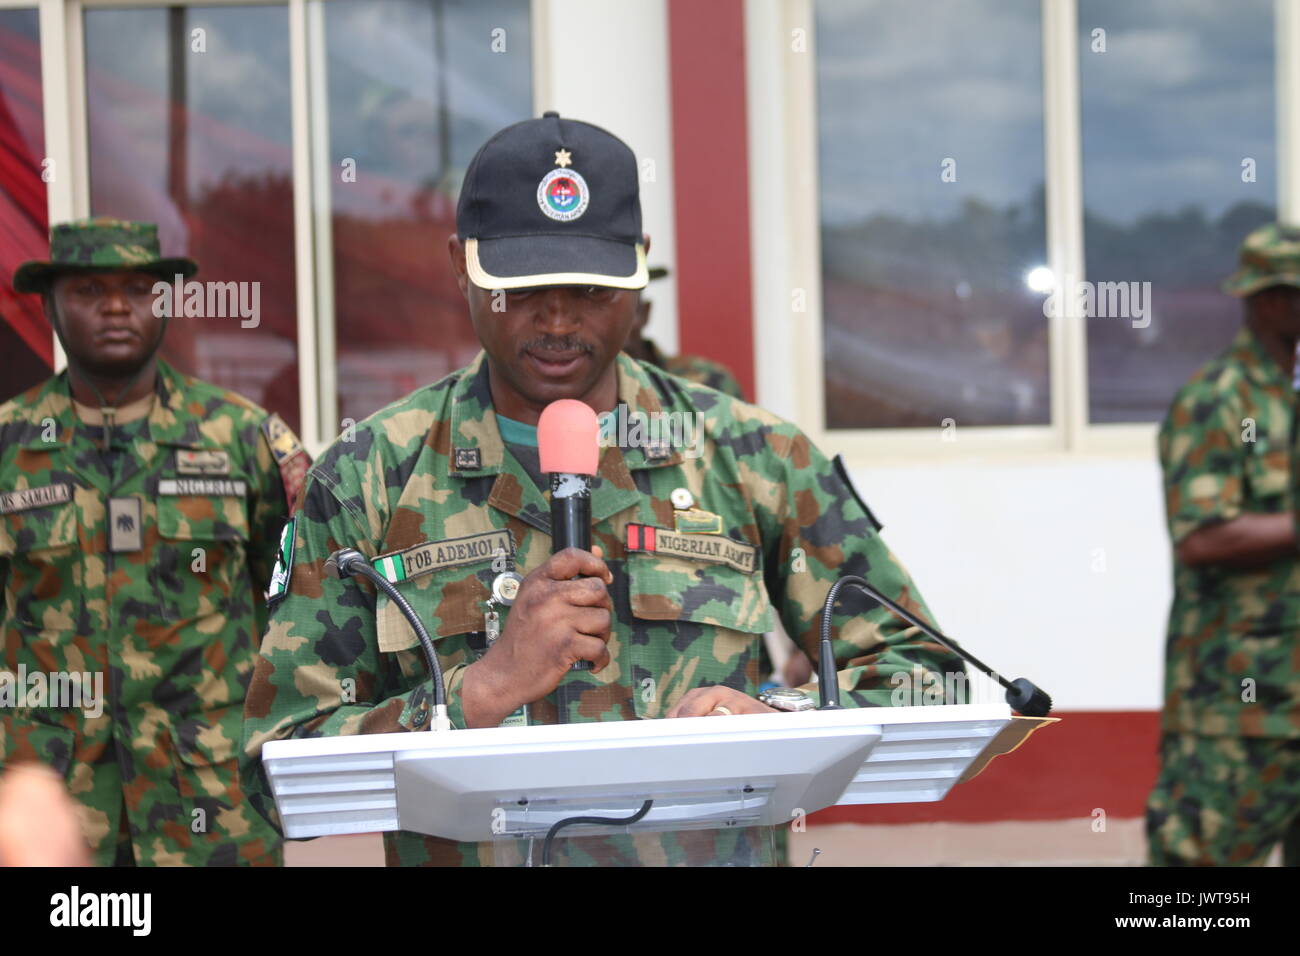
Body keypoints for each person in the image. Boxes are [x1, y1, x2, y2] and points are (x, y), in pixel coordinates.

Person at [241, 113, 963, 867]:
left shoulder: (755, 456)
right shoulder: (369, 475)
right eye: (520, 289)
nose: (557, 319)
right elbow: (275, 762)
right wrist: (478, 694)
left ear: (642, 266)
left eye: (591, 288)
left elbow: (927, 680)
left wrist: (777, 721)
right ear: (462, 264)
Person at [0, 218, 306, 866]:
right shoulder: (8, 446)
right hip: (52, 803)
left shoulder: (241, 440)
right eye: (89, 290)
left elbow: (295, 605)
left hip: (211, 800)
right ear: (51, 304)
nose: (116, 307)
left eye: (138, 289)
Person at [1146, 223, 1300, 866]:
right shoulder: (1219, 399)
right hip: (1237, 707)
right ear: (1269, 300)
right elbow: (1203, 536)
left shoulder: (1289, 398)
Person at [623, 265, 746, 399]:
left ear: (644, 312)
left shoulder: (708, 381)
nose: (613, 324)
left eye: (624, 310)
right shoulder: (598, 390)